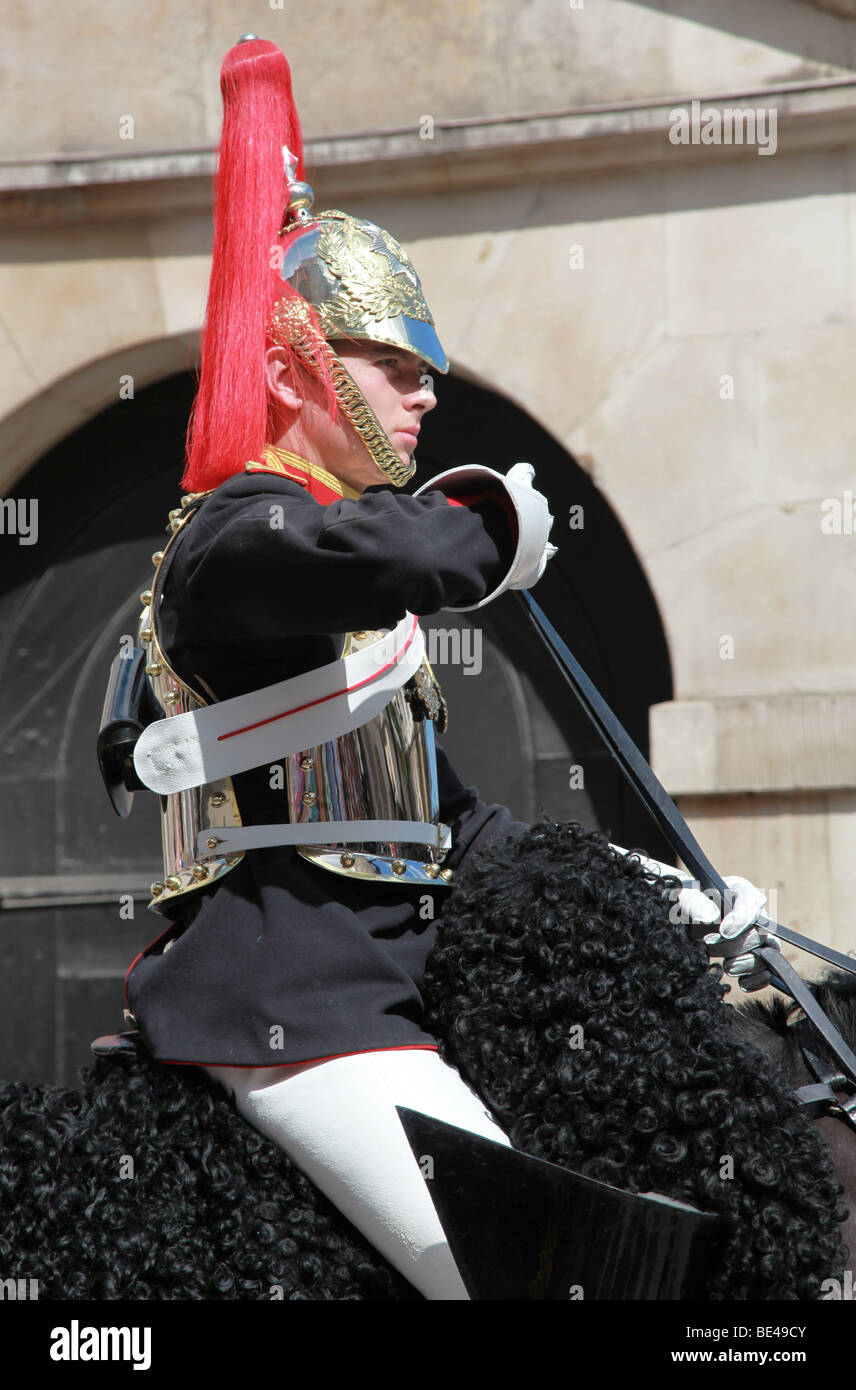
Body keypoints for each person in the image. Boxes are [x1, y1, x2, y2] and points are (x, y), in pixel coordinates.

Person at [121, 37, 769, 1300]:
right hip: (297, 1017)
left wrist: (664, 894)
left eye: (426, 374)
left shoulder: (344, 576)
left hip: (399, 989)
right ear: (296, 364)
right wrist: (482, 523)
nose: (421, 399)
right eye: (392, 368)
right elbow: (381, 546)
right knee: (550, 1277)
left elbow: (456, 831)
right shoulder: (233, 544)